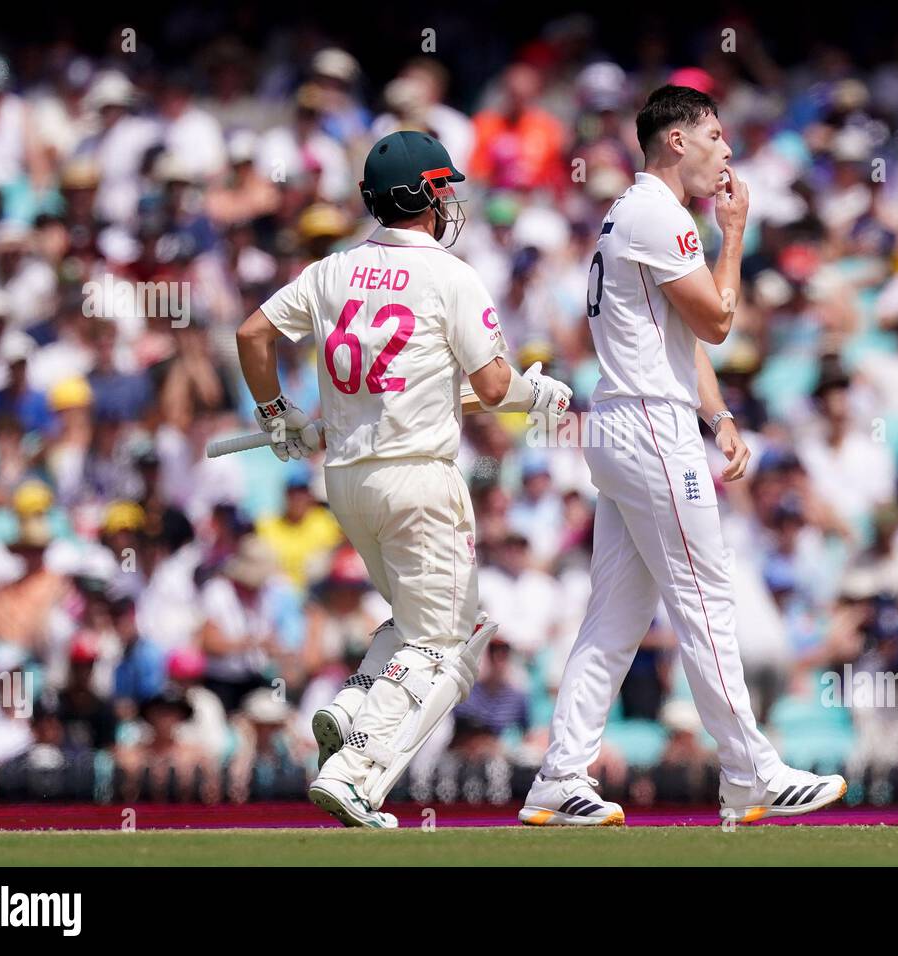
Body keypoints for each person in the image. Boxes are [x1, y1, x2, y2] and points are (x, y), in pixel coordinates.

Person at [522, 86, 846, 827]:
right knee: (707, 601)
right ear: (677, 141)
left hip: (627, 422)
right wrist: (734, 234)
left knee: (615, 617)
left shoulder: (636, 213)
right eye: (716, 136)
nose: (727, 153)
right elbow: (720, 319)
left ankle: (558, 776)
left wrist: (719, 413)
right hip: (646, 428)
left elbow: (677, 331)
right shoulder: (659, 214)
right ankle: (751, 771)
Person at [235, 130, 572, 827]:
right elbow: (492, 383)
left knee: (419, 625)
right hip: (418, 480)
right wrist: (536, 395)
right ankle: (357, 770)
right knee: (451, 644)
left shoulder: (333, 270)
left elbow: (252, 335)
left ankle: (352, 702)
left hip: (349, 483)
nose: (450, 198)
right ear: (422, 194)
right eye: (442, 185)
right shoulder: (451, 275)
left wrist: (277, 418)